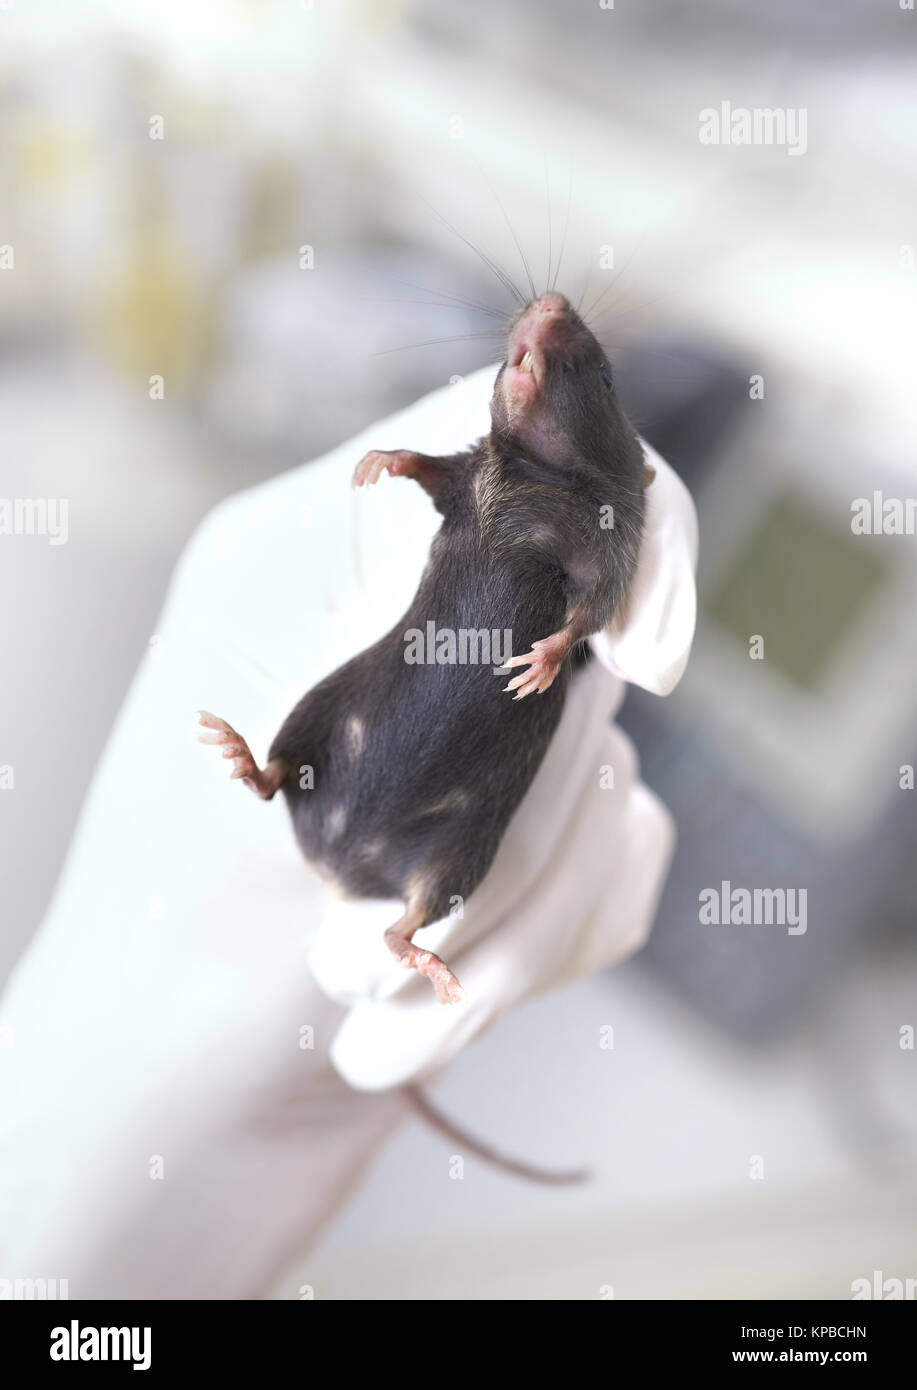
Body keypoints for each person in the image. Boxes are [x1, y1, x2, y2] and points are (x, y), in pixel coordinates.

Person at [0, 365, 697, 1298]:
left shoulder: (602, 516)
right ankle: (273, 773)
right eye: (524, 351)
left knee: (470, 840)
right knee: (330, 705)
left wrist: (566, 639)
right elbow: (449, 477)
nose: (530, 354)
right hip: (349, 769)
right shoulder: (489, 467)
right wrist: (410, 462)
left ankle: (411, 934)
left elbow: (594, 591)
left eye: (562, 363)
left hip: (432, 808)